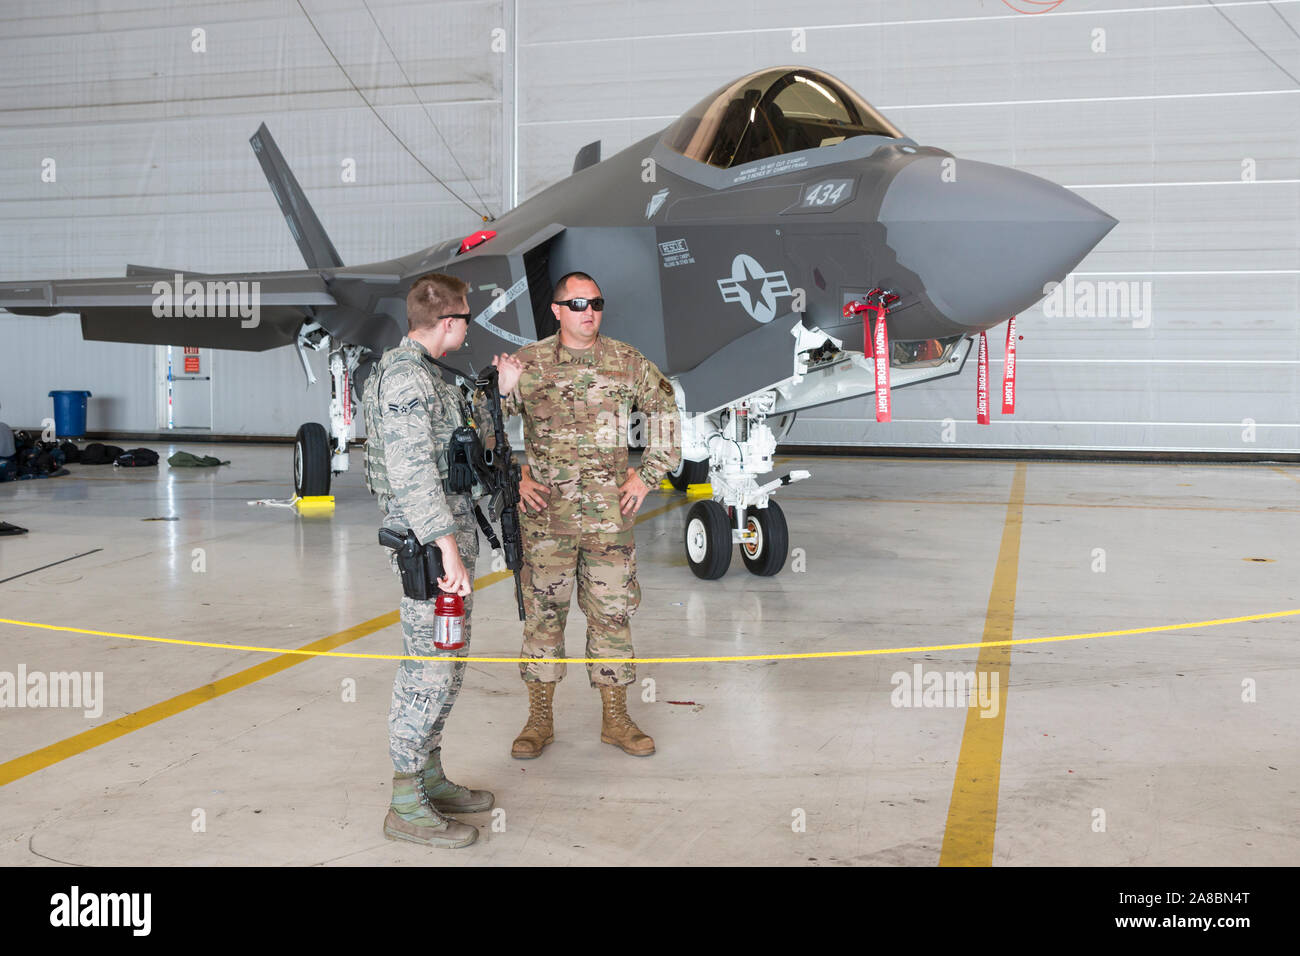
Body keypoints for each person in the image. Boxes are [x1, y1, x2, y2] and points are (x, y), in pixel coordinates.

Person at [360, 271, 522, 848]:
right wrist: (447, 548)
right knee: (427, 670)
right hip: (429, 551)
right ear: (448, 322)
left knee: (447, 663)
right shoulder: (406, 378)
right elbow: (412, 475)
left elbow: (463, 448)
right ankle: (405, 802)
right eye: (467, 318)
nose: (468, 328)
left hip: (446, 545)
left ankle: (428, 778)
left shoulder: (432, 374)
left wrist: (502, 394)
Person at [492, 271, 681, 759]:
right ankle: (539, 721)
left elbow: (666, 409)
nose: (588, 312)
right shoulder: (527, 364)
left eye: (595, 303)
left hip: (608, 521)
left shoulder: (626, 361)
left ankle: (616, 720)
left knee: (612, 617)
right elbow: (483, 427)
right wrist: (514, 478)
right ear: (557, 311)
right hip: (545, 522)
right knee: (543, 620)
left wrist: (647, 475)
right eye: (577, 304)